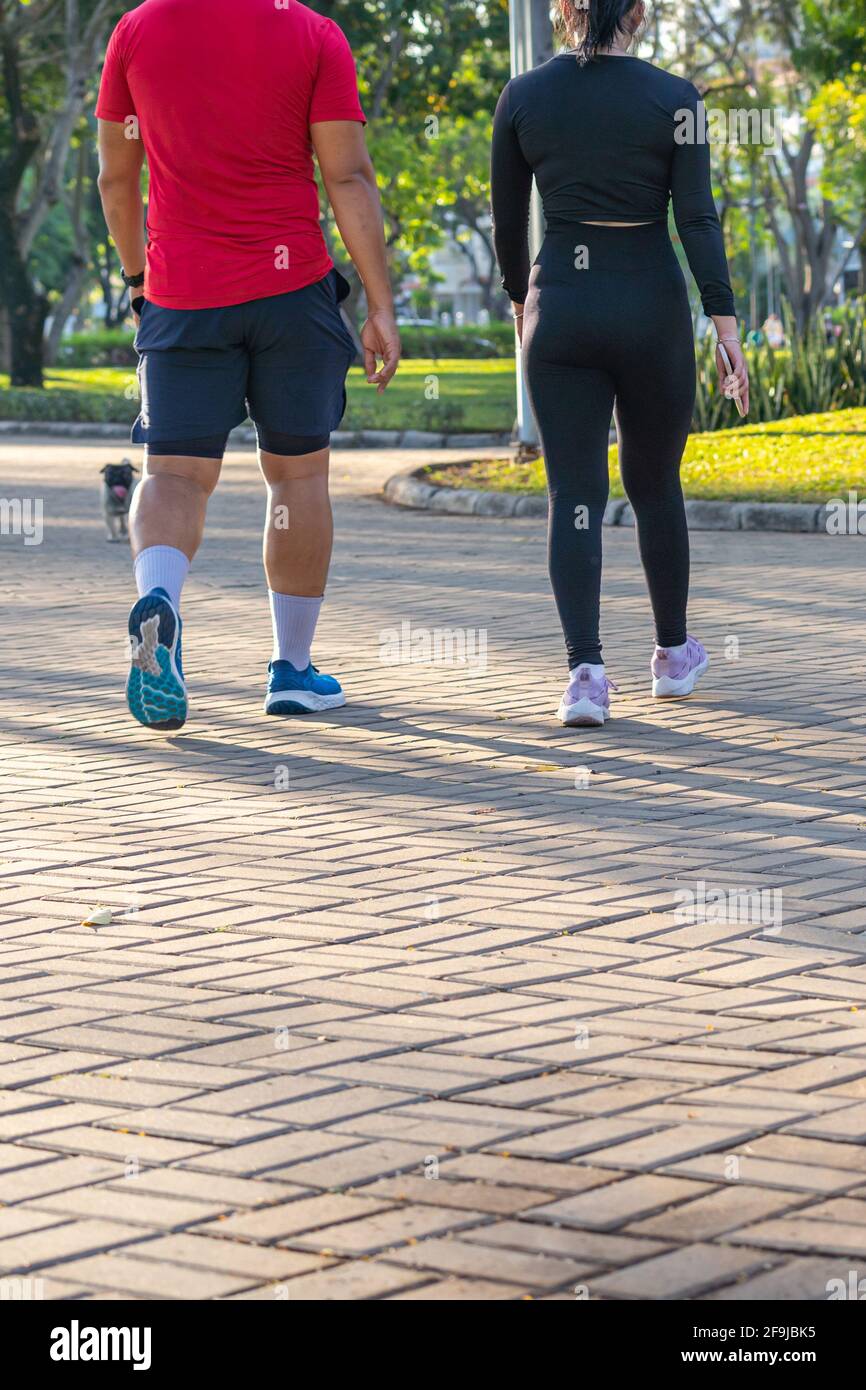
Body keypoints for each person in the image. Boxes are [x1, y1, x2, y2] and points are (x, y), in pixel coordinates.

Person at [96, 0, 400, 731]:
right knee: (296, 475)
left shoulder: (137, 32)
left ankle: (161, 603)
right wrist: (380, 304)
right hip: (292, 297)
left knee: (171, 473)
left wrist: (138, 278)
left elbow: (115, 177)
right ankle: (291, 671)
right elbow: (348, 178)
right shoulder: (311, 33)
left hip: (182, 295)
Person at [490, 0, 748, 727]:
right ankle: (671, 656)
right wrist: (725, 325)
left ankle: (585, 675)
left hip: (562, 311)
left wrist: (520, 305)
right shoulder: (677, 97)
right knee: (654, 483)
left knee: (574, 490)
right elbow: (696, 217)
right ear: (640, 12)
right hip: (652, 311)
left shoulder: (524, 96)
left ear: (565, 9)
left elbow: (510, 226)